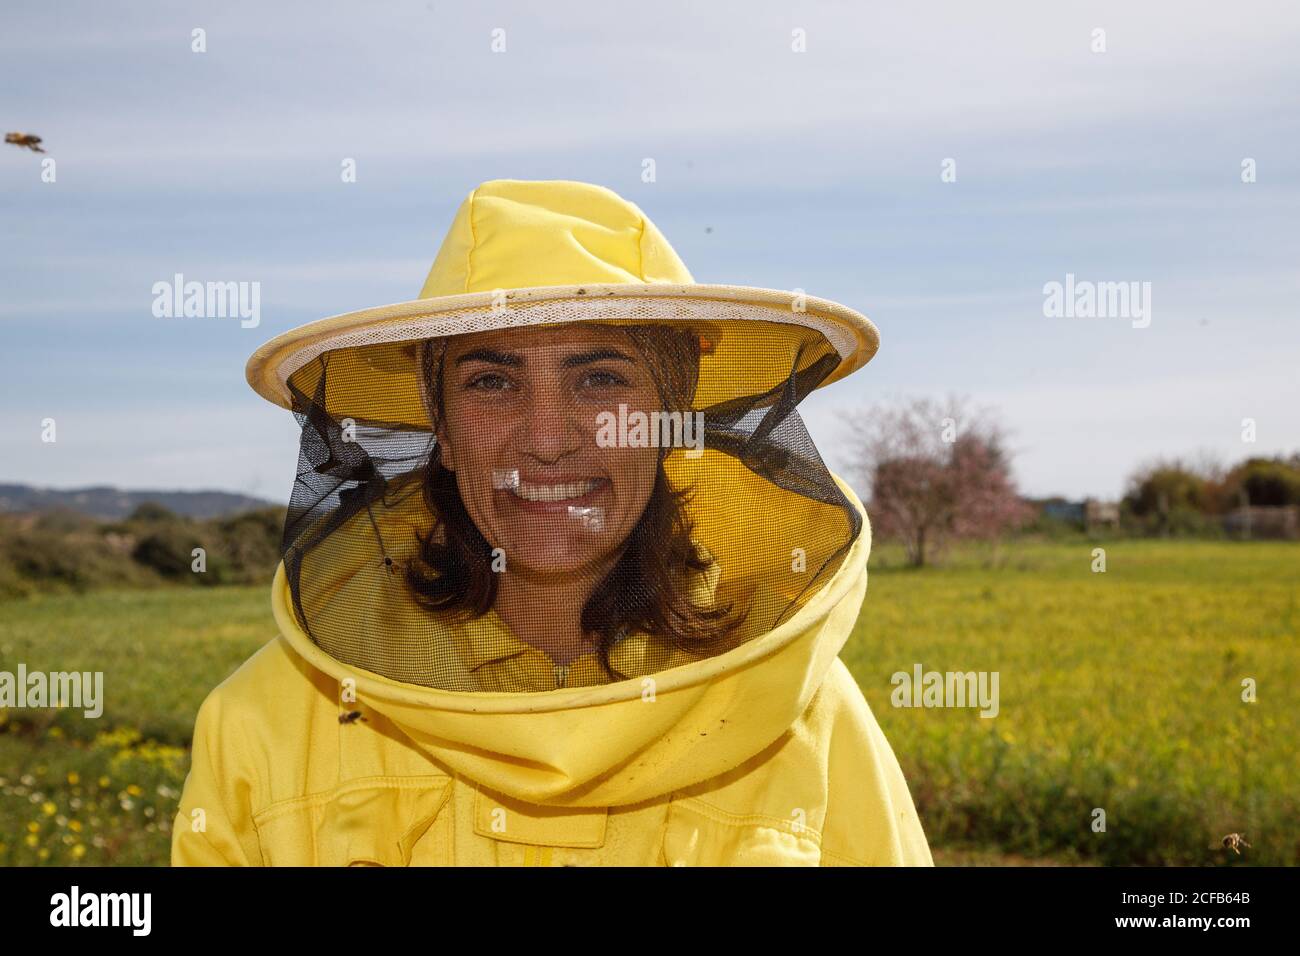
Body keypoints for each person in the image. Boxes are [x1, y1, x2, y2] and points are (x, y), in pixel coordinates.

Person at [171, 178, 934, 866]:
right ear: (439, 419)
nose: (546, 438)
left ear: (672, 413)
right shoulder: (264, 722)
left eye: (600, 378)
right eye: (492, 380)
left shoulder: (802, 713)